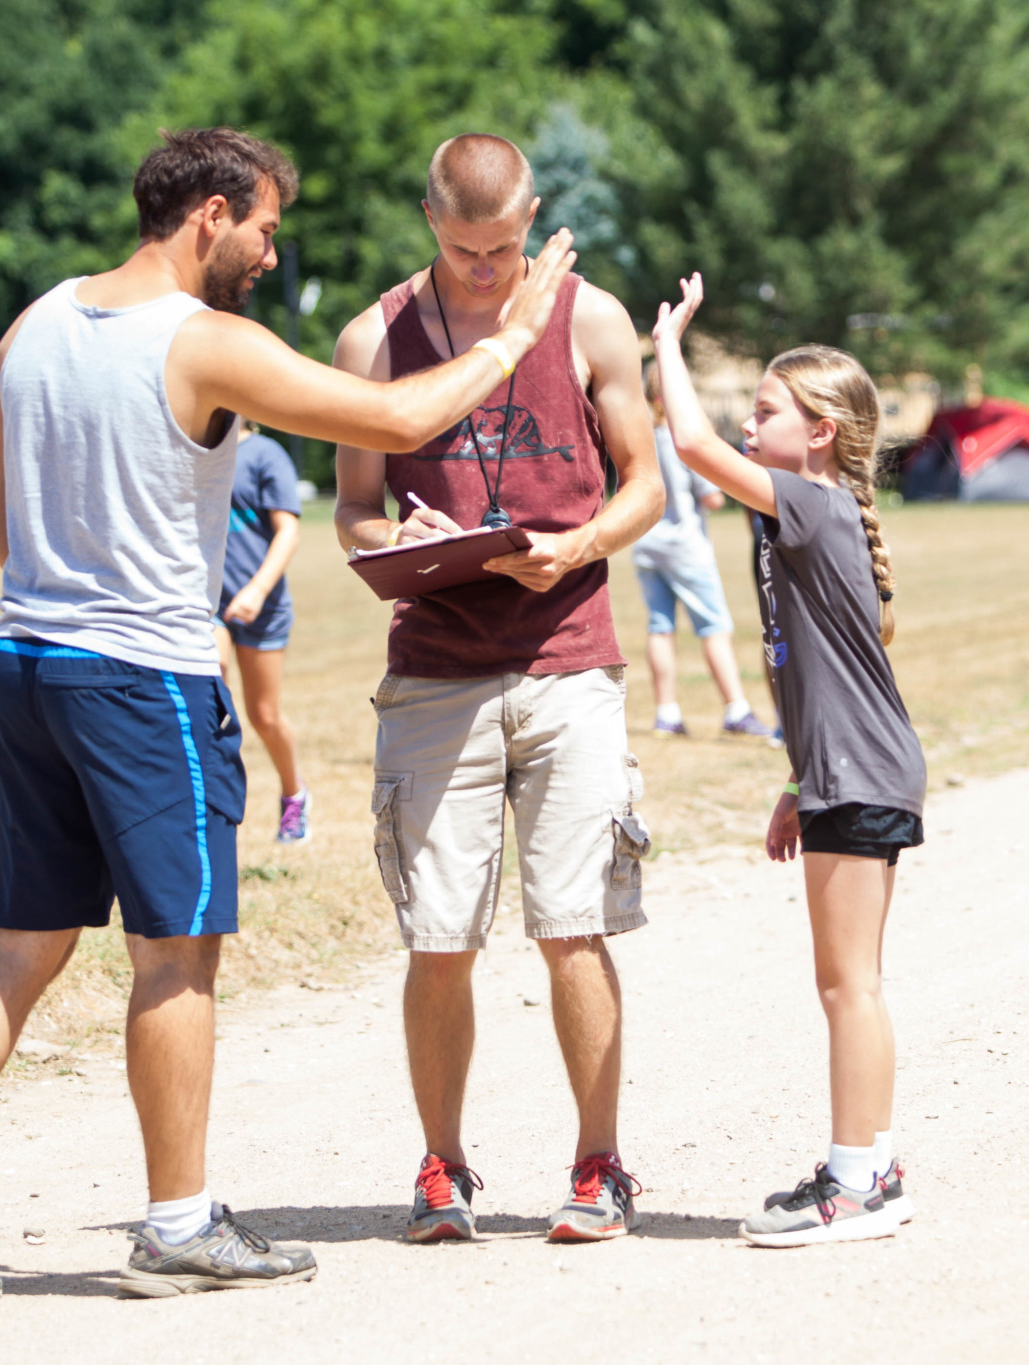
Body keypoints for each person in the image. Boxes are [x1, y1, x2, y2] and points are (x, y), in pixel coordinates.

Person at [0, 126, 580, 1304]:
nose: (268, 254)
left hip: (27, 660)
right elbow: (390, 424)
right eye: (264, 228)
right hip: (146, 681)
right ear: (209, 216)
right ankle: (179, 1223)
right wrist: (514, 337)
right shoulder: (206, 342)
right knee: (176, 953)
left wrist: (73, 578)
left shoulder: (31, 324)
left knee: (24, 937)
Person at [332, 134, 664, 1244]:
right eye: (467, 249)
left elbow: (643, 486)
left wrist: (574, 552)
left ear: (535, 222)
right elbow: (353, 509)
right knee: (439, 935)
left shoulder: (591, 317)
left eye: (507, 248)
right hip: (435, 674)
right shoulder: (374, 337)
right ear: (428, 218)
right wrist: (402, 538)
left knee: (573, 925)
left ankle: (597, 1164)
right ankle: (441, 1167)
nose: (487, 270)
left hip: (568, 656)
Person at [653, 274, 926, 1247]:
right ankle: (867, 1165)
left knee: (848, 984)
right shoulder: (792, 512)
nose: (743, 420)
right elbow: (826, 679)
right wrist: (792, 783)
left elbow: (686, 443)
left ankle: (859, 1187)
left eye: (762, 410)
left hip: (860, 777)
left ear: (815, 433)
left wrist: (665, 340)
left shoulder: (809, 502)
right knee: (840, 980)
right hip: (840, 773)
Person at [631, 360, 775, 740]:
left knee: (660, 626)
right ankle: (736, 709)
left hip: (646, 544)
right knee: (714, 625)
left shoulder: (638, 434)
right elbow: (710, 497)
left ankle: (666, 713)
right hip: (685, 544)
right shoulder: (683, 440)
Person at [216, 422, 310, 842]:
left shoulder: (264, 453)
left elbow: (288, 531)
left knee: (263, 715)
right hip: (207, 606)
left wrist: (256, 589)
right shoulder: (195, 446)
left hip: (262, 603)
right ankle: (209, 806)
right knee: (210, 701)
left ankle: (294, 796)